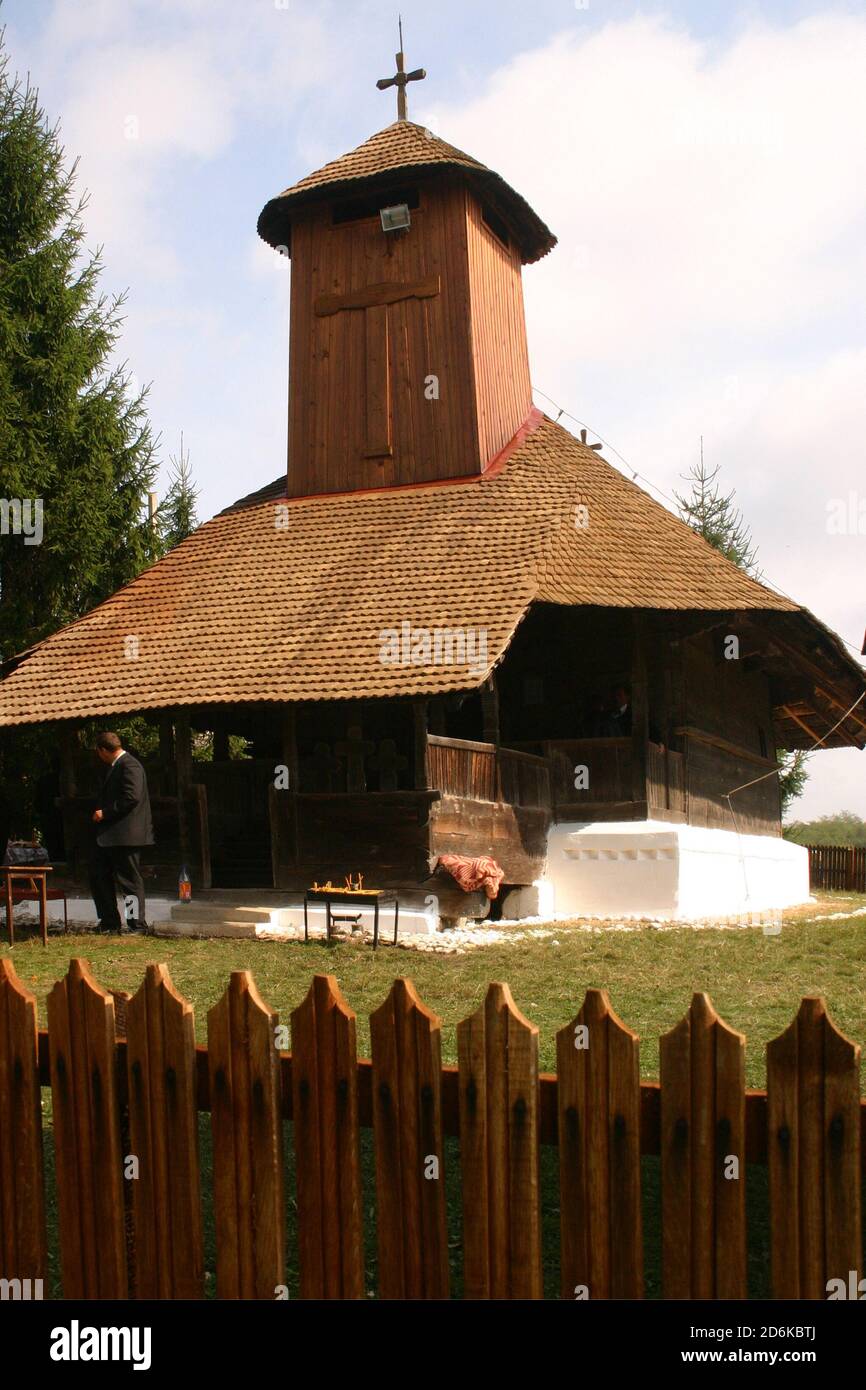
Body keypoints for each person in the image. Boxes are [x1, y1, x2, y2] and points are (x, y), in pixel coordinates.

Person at [89, 732, 154, 934]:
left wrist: (105, 812)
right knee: (98, 876)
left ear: (102, 750)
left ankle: (136, 924)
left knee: (130, 882)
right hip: (110, 837)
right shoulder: (116, 766)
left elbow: (131, 797)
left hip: (126, 835)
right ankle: (109, 921)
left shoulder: (129, 765)